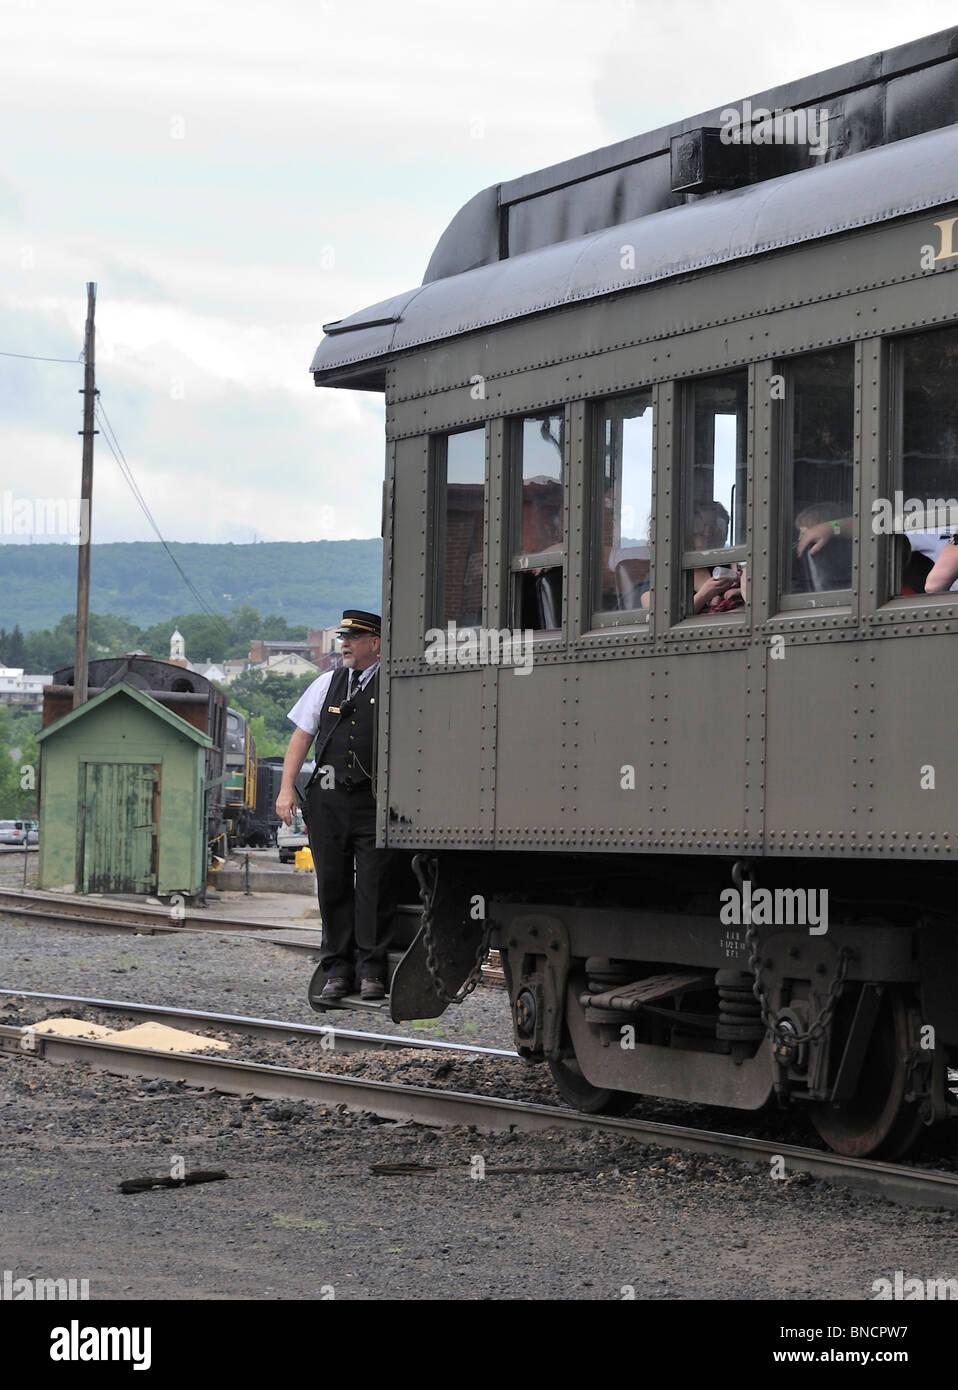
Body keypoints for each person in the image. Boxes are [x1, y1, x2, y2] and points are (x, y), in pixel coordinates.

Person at [275, 610, 397, 1003]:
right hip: (329, 803)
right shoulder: (327, 683)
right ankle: (337, 972)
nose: (343, 644)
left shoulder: (394, 683)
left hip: (372, 802)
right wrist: (285, 790)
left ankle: (373, 971)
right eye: (343, 637)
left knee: (374, 887)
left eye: (353, 638)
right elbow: (301, 737)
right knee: (332, 885)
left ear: (374, 643)